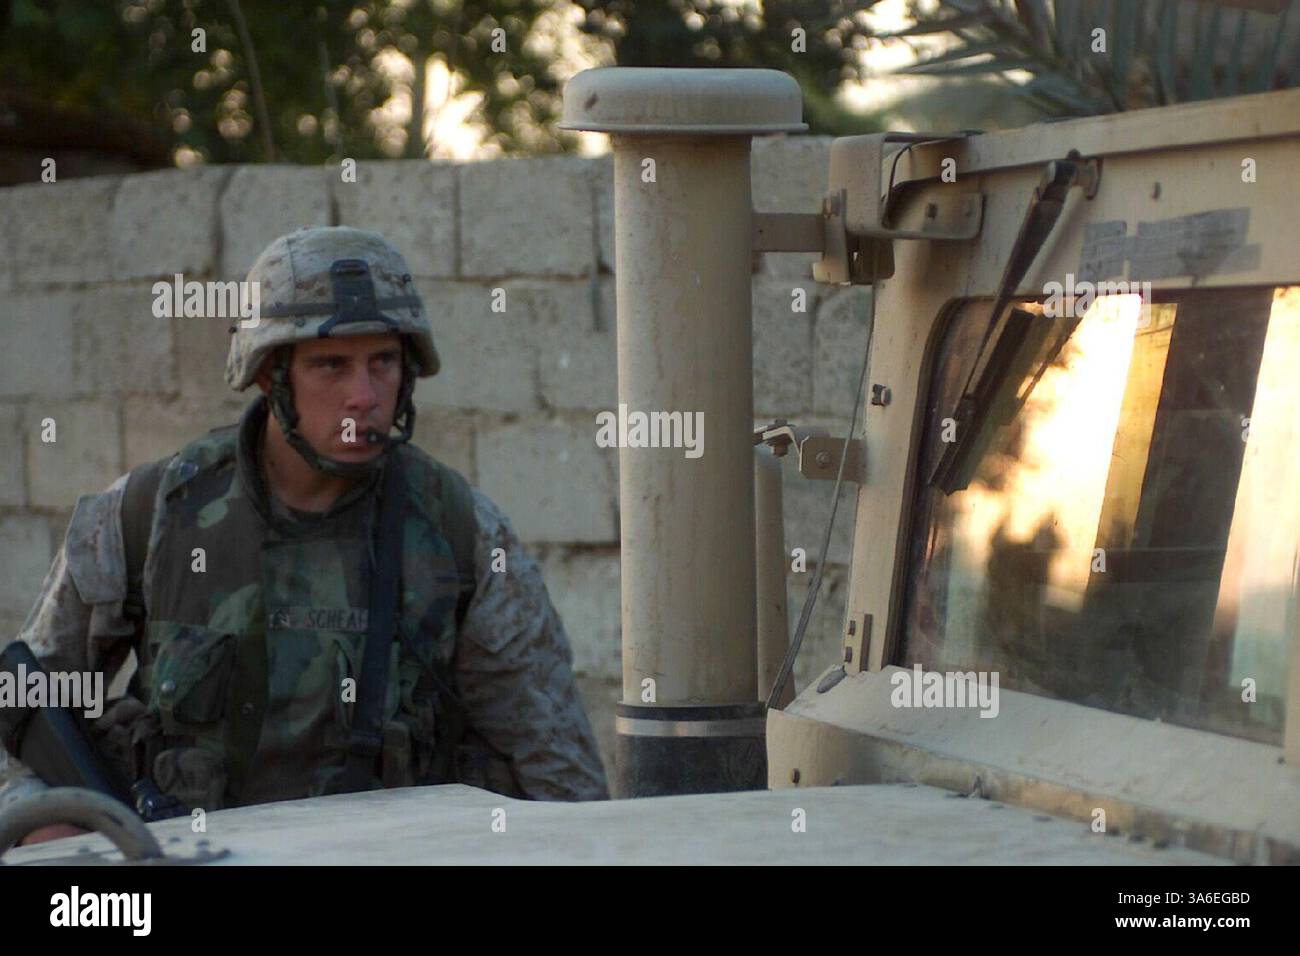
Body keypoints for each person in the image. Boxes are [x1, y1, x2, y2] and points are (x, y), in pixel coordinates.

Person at [0, 226, 608, 845]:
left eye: (384, 362)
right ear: (271, 376)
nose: (364, 396)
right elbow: (21, 706)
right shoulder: (145, 515)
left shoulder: (463, 535)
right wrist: (44, 820)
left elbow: (560, 779)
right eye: (330, 366)